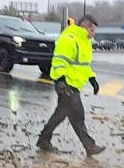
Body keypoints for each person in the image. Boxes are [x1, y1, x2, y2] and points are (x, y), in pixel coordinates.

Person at [38, 15, 105, 156]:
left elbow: (84, 65)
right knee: (77, 115)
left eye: (94, 30)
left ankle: (43, 139)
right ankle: (90, 146)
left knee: (61, 114)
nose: (93, 33)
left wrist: (92, 79)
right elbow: (59, 60)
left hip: (74, 84)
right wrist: (61, 80)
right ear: (84, 27)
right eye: (92, 30)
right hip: (65, 83)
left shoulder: (85, 42)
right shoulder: (69, 39)